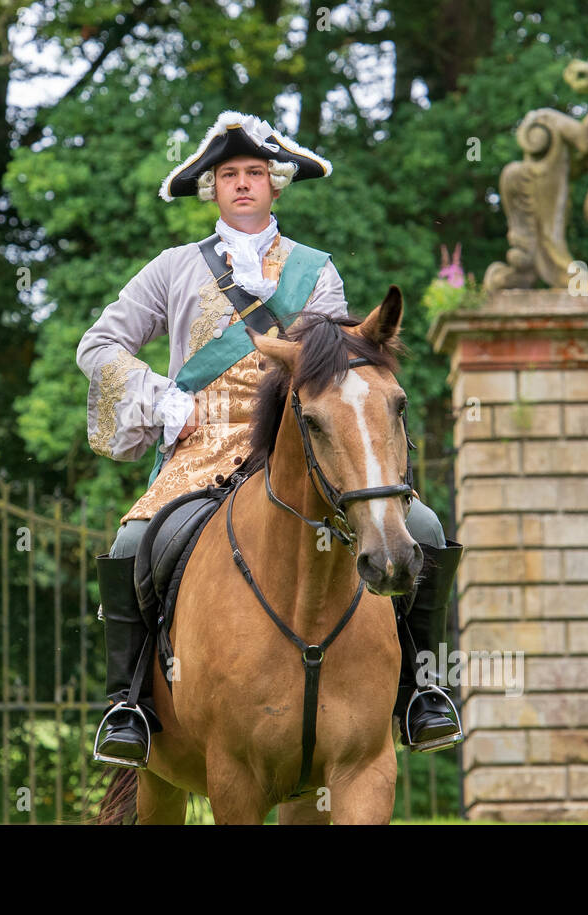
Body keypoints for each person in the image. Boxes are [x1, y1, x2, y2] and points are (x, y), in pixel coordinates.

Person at [76, 110, 464, 768]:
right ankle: (130, 704)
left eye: (255, 172)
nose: (243, 184)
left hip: (300, 448)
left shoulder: (317, 271)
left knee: (421, 526)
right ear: (212, 188)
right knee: (133, 539)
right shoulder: (172, 269)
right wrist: (162, 398)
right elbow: (99, 344)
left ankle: (419, 690)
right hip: (198, 453)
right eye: (230, 174)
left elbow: (336, 366)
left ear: (276, 183)